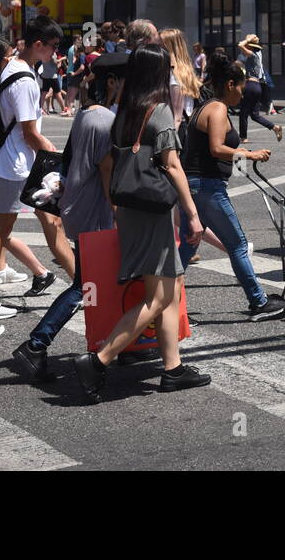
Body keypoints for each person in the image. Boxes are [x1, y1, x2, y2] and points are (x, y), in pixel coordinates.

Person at [72, 44, 212, 402]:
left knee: (170, 288)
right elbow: (173, 165)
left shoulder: (126, 111)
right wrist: (192, 213)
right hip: (153, 210)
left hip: (131, 207)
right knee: (160, 295)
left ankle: (172, 368)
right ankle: (98, 359)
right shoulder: (160, 111)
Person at [11, 53, 129, 382]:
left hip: (78, 209)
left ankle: (118, 346)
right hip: (95, 214)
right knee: (84, 286)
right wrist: (121, 219)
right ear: (112, 82)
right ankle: (36, 344)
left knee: (98, 284)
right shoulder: (104, 121)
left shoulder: (86, 113)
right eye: (125, 80)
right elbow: (108, 179)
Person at [180, 53, 285, 320]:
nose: (243, 93)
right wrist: (249, 155)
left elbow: (212, 147)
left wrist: (243, 152)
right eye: (241, 87)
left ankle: (165, 302)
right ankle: (258, 301)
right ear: (230, 84)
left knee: (187, 246)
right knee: (237, 244)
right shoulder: (217, 109)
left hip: (195, 185)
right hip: (207, 186)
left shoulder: (206, 107)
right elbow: (217, 148)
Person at [0, 17, 63, 304]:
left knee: (44, 224)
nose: (55, 52)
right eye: (53, 46)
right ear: (38, 44)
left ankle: (77, 287)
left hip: (17, 162)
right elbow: (29, 132)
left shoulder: (15, 67)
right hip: (18, 164)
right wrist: (55, 155)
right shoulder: (25, 79)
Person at [237, 34, 282, 143]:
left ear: (251, 47)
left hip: (250, 85)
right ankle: (275, 127)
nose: (246, 47)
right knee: (254, 115)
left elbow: (239, 45)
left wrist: (247, 40)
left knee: (243, 113)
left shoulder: (252, 54)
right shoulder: (258, 54)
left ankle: (243, 137)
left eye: (248, 46)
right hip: (257, 86)